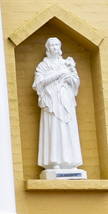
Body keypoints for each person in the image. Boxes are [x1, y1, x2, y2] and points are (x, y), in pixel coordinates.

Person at [32, 37, 85, 177]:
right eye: (52, 45)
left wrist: (68, 77)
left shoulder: (66, 63)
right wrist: (58, 74)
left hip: (66, 100)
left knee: (68, 130)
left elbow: (76, 81)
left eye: (57, 44)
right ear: (48, 48)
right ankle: (53, 161)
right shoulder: (43, 66)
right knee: (54, 129)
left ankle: (71, 162)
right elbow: (39, 83)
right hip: (52, 103)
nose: (55, 47)